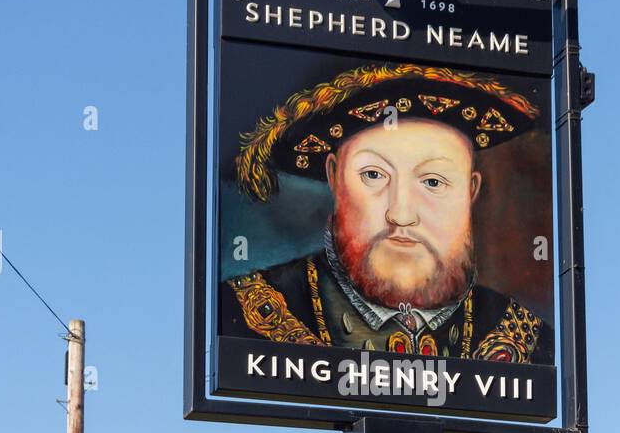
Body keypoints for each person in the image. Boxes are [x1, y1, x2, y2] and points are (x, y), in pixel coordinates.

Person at [221, 61, 552, 364]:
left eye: (433, 181)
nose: (401, 214)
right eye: (374, 176)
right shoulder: (243, 316)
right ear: (334, 177)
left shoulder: (524, 336)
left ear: (470, 191)